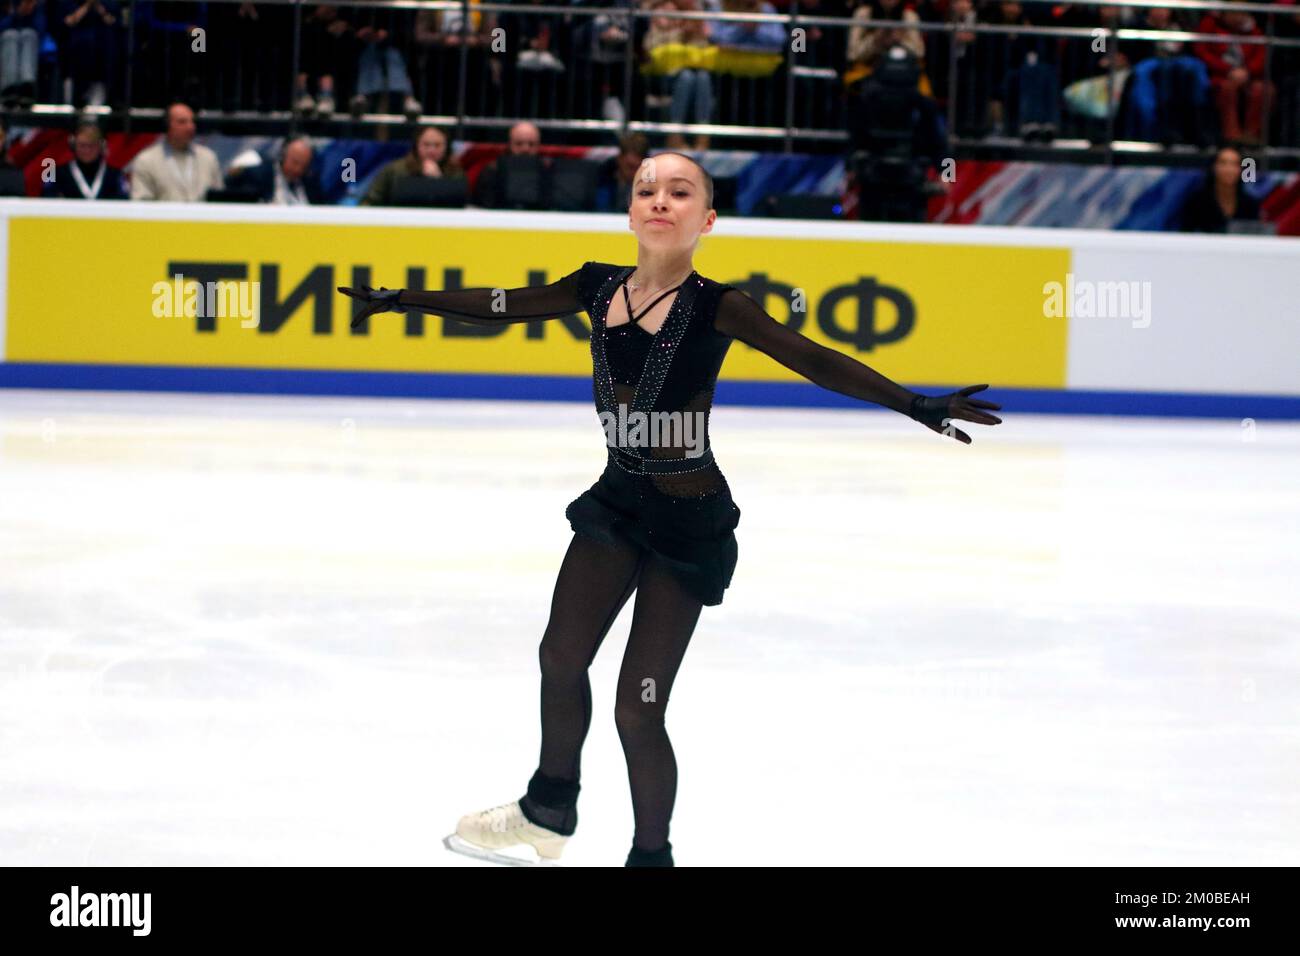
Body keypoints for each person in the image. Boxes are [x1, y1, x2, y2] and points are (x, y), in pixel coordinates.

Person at [338, 152, 1002, 867]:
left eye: (680, 192)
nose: (660, 200)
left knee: (639, 706)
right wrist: (406, 299)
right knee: (560, 657)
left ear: (706, 219)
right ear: (630, 212)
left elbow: (809, 356)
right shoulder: (595, 286)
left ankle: (651, 858)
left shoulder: (722, 305)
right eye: (646, 190)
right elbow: (504, 303)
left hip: (687, 520)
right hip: (617, 504)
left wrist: (914, 403)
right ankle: (547, 809)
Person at [129, 101, 224, 201]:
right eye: (182, 122)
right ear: (167, 125)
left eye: (192, 121)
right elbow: (141, 202)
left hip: (202, 216)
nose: (190, 127)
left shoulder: (208, 157)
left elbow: (218, 198)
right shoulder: (146, 160)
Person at [360, 124, 464, 206]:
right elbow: (369, 201)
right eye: (426, 144)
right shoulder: (395, 170)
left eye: (437, 145)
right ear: (416, 146)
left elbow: (461, 206)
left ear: (447, 147)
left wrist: (438, 181)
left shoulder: (455, 172)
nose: (431, 150)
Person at [1178, 144, 1261, 233]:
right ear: (1214, 167)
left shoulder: (1250, 204)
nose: (1229, 169)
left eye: (1234, 164)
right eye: (1223, 163)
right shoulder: (1196, 202)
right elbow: (1186, 235)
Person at [227, 136, 324, 205]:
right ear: (283, 156)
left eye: (304, 166)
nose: (298, 169)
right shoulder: (260, 176)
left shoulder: (311, 185)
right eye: (295, 162)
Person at [43, 119, 126, 199]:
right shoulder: (55, 174)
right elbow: (46, 202)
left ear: (101, 146)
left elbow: (124, 202)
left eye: (92, 145)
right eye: (82, 145)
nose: (87, 150)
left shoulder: (115, 175)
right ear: (73, 144)